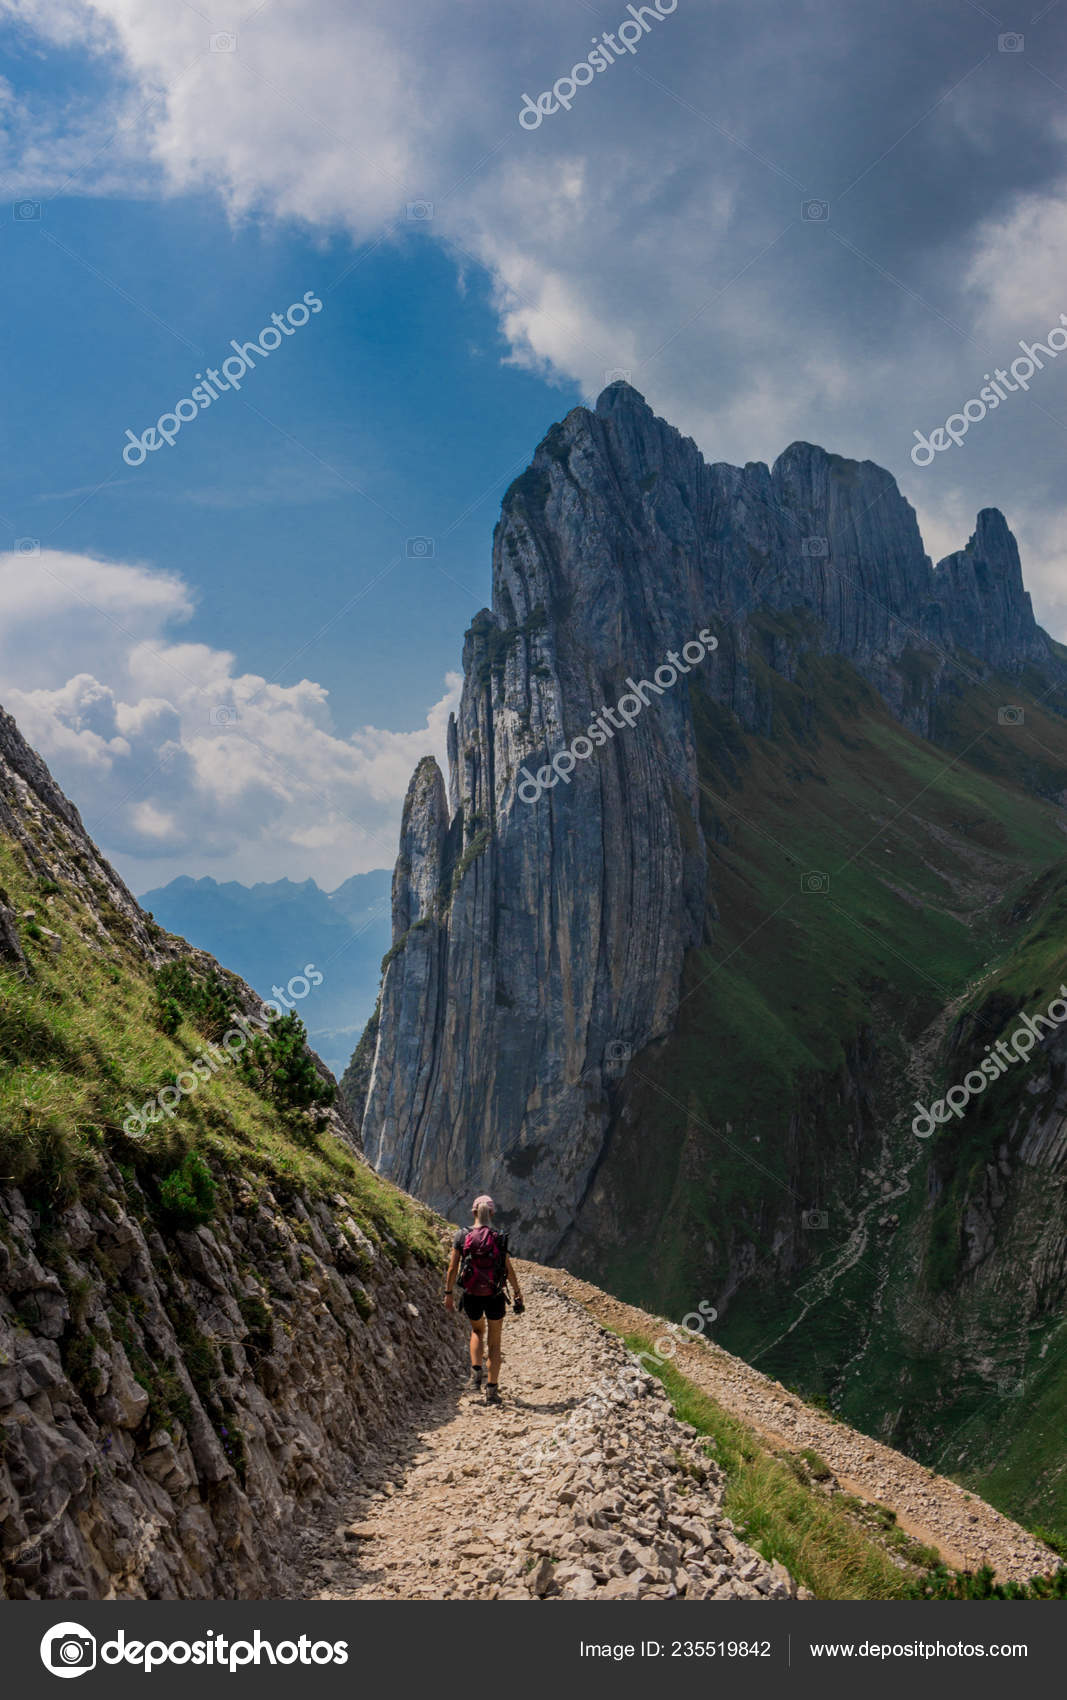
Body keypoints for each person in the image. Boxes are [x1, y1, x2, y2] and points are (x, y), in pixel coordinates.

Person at [444, 1194, 524, 1406]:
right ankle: (492, 1391)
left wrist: (448, 1293)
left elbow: (452, 1268)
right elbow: (508, 1269)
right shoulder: (498, 1237)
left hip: (471, 1295)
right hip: (495, 1295)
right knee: (495, 1343)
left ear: (473, 1212)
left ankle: (476, 1375)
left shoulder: (462, 1235)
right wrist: (517, 1292)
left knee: (477, 1331)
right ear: (492, 1213)